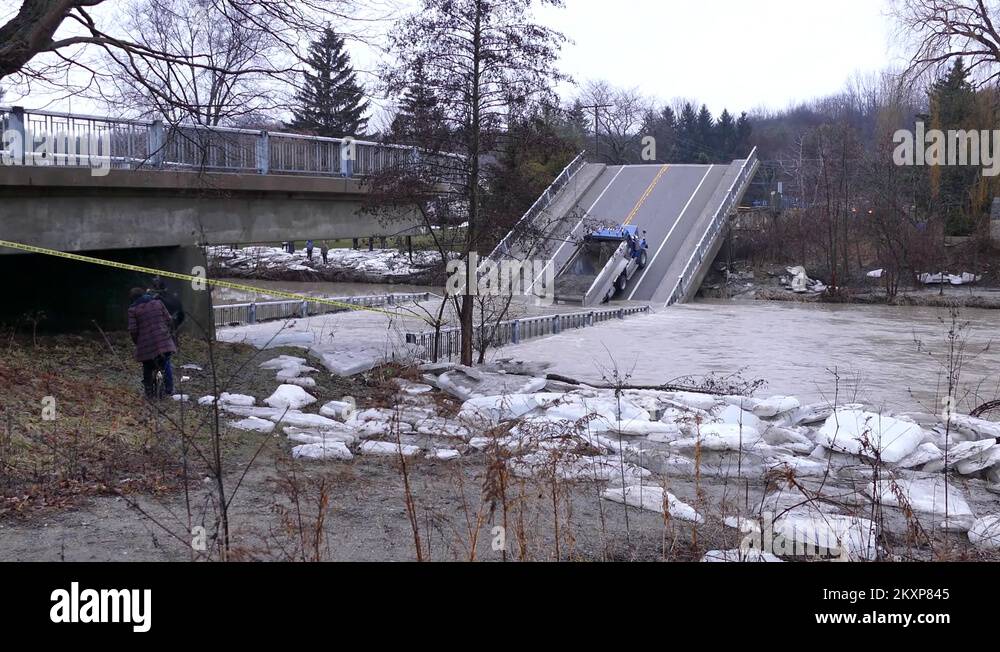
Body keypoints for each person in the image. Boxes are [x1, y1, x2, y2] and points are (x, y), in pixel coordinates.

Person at [128, 287, 177, 399]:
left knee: (147, 367)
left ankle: (149, 391)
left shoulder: (133, 310)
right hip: (163, 340)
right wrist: (167, 331)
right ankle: (169, 389)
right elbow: (169, 319)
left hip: (146, 344)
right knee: (166, 363)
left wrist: (137, 341)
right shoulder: (158, 303)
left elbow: (133, 330)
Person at [150, 276, 185, 344]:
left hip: (172, 320)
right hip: (169, 321)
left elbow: (180, 312)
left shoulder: (167, 296)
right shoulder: (157, 296)